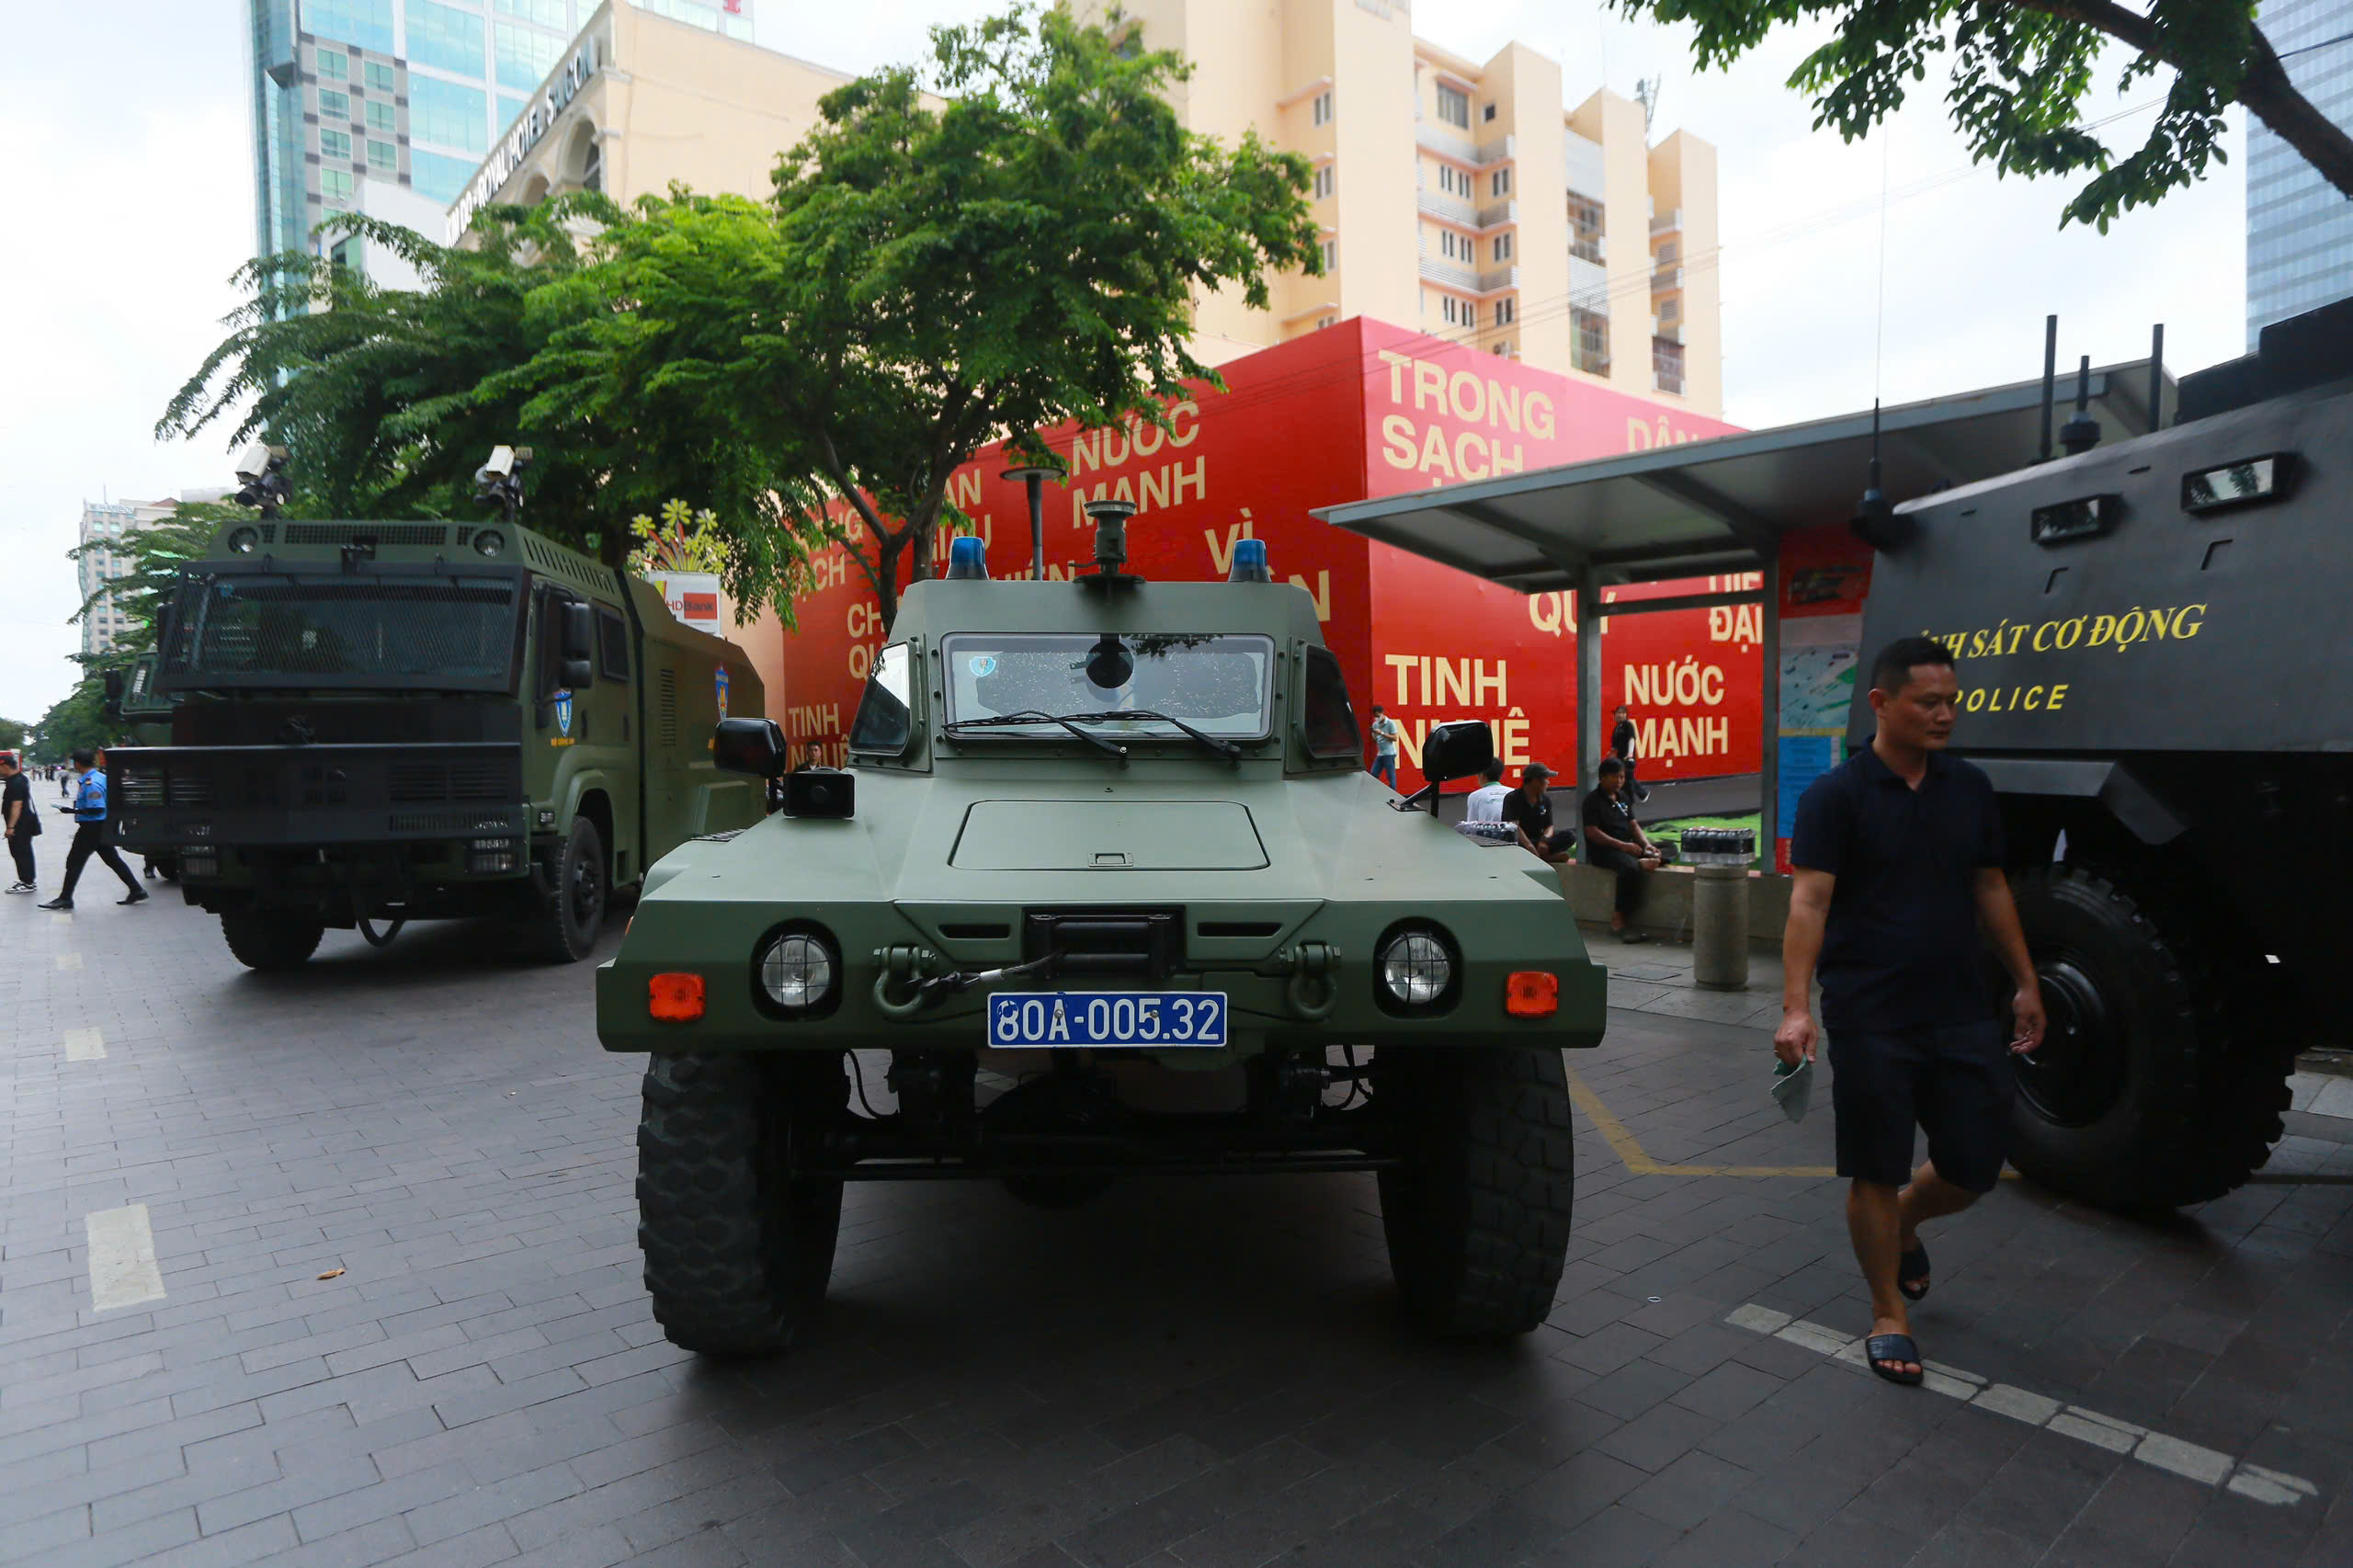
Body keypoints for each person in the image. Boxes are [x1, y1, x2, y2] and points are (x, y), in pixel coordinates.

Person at [1777, 636, 2045, 1389]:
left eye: (1951, 701)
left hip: (1962, 1008)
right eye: (1929, 702)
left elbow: (1990, 886)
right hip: (1870, 1014)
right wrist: (1797, 1009)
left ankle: (1906, 1222)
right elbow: (1810, 901)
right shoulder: (1837, 797)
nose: (1945, 715)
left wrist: (2026, 980)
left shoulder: (1969, 787)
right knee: (1873, 1166)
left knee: (1973, 1164)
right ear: (1882, 704)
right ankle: (1887, 1310)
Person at [40, 748, 147, 911]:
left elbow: (97, 808)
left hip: (92, 827)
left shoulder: (91, 783)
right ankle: (136, 890)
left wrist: (73, 811)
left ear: (77, 763)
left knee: (74, 862)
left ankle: (65, 898)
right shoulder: (100, 777)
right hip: (101, 826)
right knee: (113, 860)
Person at [1581, 758, 1661, 942]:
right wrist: (1622, 846)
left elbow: (1633, 824)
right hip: (1605, 850)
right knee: (1629, 868)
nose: (1619, 781)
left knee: (1667, 848)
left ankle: (1645, 858)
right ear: (1602, 777)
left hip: (1628, 845)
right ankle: (1618, 919)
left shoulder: (1624, 797)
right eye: (1615, 777)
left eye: (1622, 777)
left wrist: (1646, 844)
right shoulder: (1592, 800)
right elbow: (1592, 832)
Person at [1501, 763, 1574, 863]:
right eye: (1546, 779)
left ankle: (1540, 857)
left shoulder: (1545, 800)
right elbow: (1514, 826)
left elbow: (1549, 826)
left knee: (1570, 836)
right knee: (1516, 844)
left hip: (1538, 841)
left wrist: (1544, 841)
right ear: (1535, 781)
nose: (1548, 783)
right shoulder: (1512, 798)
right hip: (1520, 841)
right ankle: (1545, 858)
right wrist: (1530, 846)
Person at [2, 752, 39, 892]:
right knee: (20, 851)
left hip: (20, 824)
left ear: (4, 766)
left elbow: (17, 805)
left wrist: (11, 827)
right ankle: (26, 879)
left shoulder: (16, 782)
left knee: (21, 851)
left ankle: (28, 882)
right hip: (23, 822)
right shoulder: (18, 779)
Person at [1610, 703, 1650, 802]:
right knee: (1627, 777)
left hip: (1628, 757)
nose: (1620, 715)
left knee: (1628, 778)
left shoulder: (1628, 725)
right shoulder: (1616, 728)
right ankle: (1642, 794)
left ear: (1626, 715)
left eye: (1622, 713)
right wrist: (1611, 754)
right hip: (1620, 757)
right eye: (1618, 713)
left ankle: (1633, 798)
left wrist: (1630, 754)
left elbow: (1631, 739)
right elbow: (1614, 746)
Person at [1463, 758, 1509, 822]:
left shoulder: (1475, 796)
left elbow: (1471, 825)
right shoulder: (1513, 792)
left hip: (1487, 831)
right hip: (1513, 831)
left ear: (1481, 775)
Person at [1368, 705, 1399, 790]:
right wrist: (1373, 733)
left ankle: (1394, 796)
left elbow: (1395, 738)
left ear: (1382, 713)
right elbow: (1376, 740)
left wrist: (1381, 733)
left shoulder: (1390, 723)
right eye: (1375, 716)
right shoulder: (1375, 724)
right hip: (1380, 753)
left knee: (1391, 777)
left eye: (1378, 716)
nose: (1376, 718)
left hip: (1389, 753)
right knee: (1373, 775)